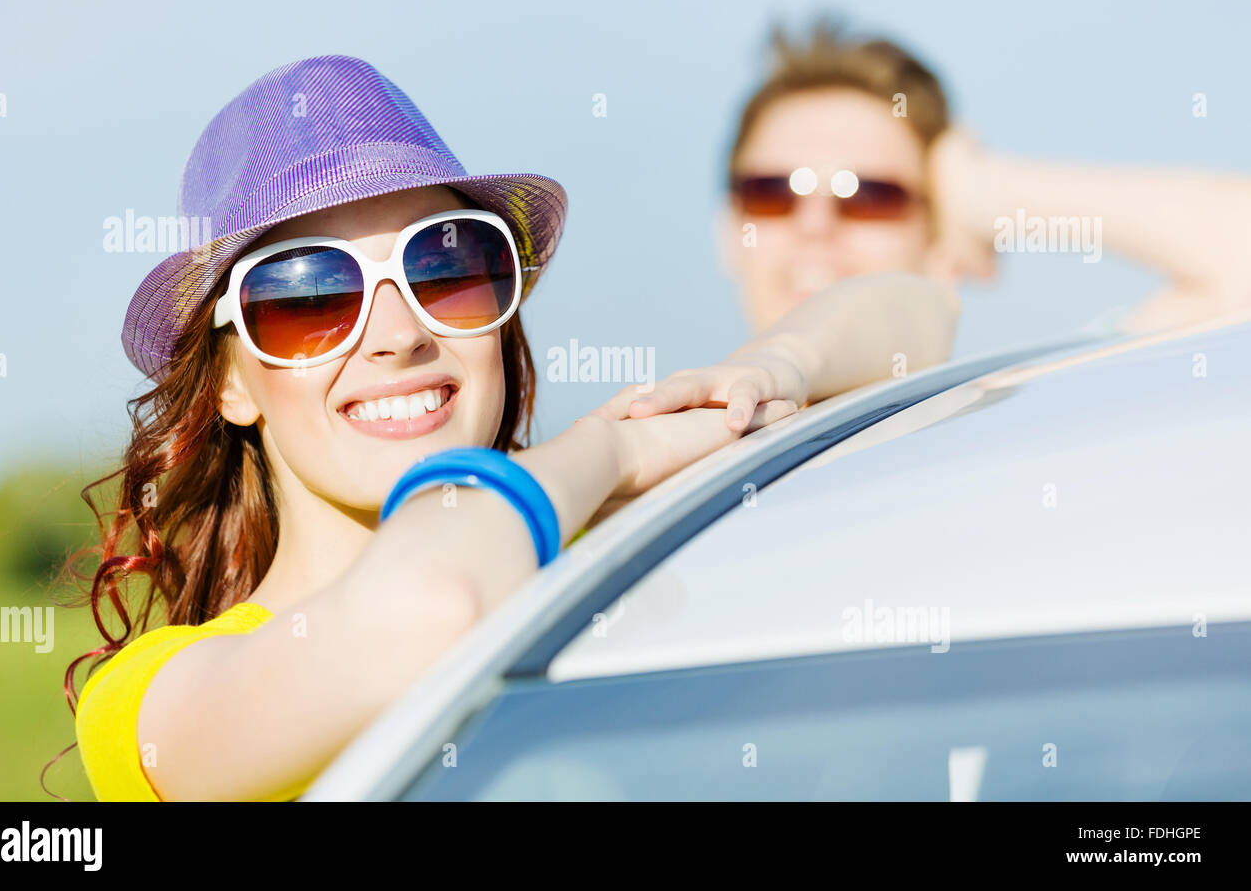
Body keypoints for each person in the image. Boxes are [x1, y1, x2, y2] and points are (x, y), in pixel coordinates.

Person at [55, 55, 956, 802]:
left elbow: (915, 316)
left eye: (446, 264)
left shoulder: (585, 533)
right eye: (309, 297)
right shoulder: (148, 703)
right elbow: (429, 608)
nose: (401, 332)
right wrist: (611, 450)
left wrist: (772, 371)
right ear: (229, 386)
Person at [719, 20, 1251, 340]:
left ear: (941, 247)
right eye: (772, 195)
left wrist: (982, 190)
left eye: (869, 196)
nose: (815, 224)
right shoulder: (649, 466)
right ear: (728, 231)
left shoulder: (1040, 411)